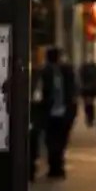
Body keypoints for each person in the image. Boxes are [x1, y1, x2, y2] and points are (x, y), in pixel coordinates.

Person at [29, 46, 77, 180]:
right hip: (62, 111)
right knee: (59, 141)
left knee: (52, 141)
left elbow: (38, 94)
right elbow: (73, 91)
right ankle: (57, 168)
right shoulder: (67, 71)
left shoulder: (43, 72)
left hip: (49, 112)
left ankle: (55, 167)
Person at [78, 57, 96, 128]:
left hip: (86, 89)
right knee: (90, 104)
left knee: (87, 104)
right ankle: (90, 118)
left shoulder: (83, 68)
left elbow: (81, 78)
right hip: (91, 89)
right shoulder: (95, 68)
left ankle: (89, 118)